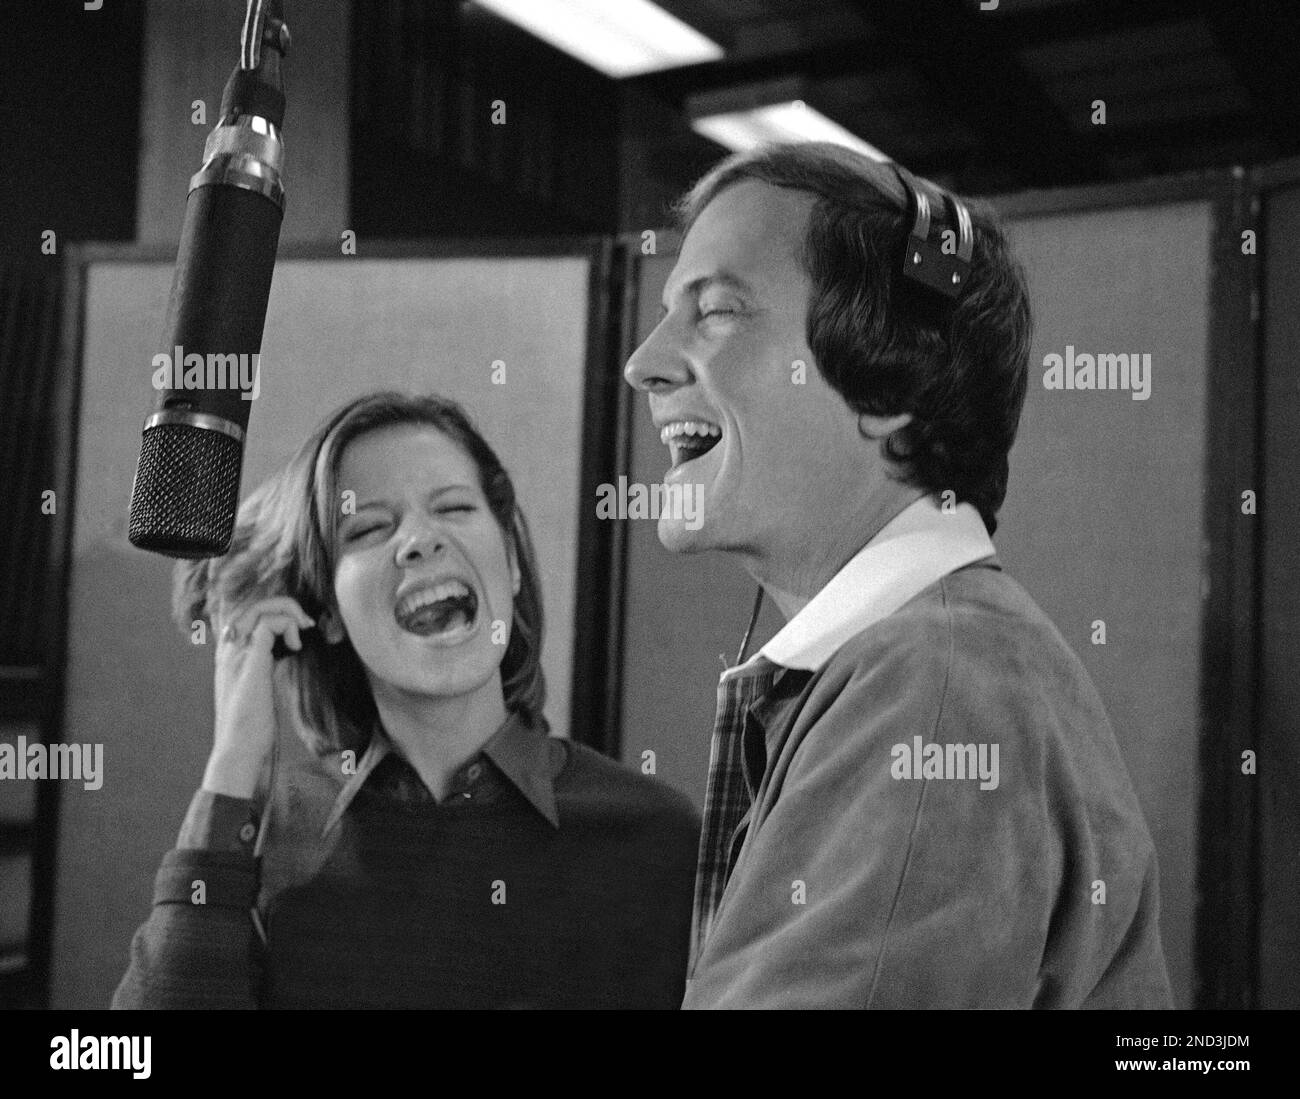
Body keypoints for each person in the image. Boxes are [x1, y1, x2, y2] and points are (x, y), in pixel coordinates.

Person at [623, 141, 1173, 1008]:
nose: (645, 362)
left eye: (717, 311)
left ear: (890, 379)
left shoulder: (935, 684)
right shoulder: (935, 662)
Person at [112, 390, 699, 1009]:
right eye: (368, 527)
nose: (420, 539)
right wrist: (230, 769)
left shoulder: (653, 836)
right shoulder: (261, 844)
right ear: (329, 614)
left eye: (453, 507)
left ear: (513, 565)